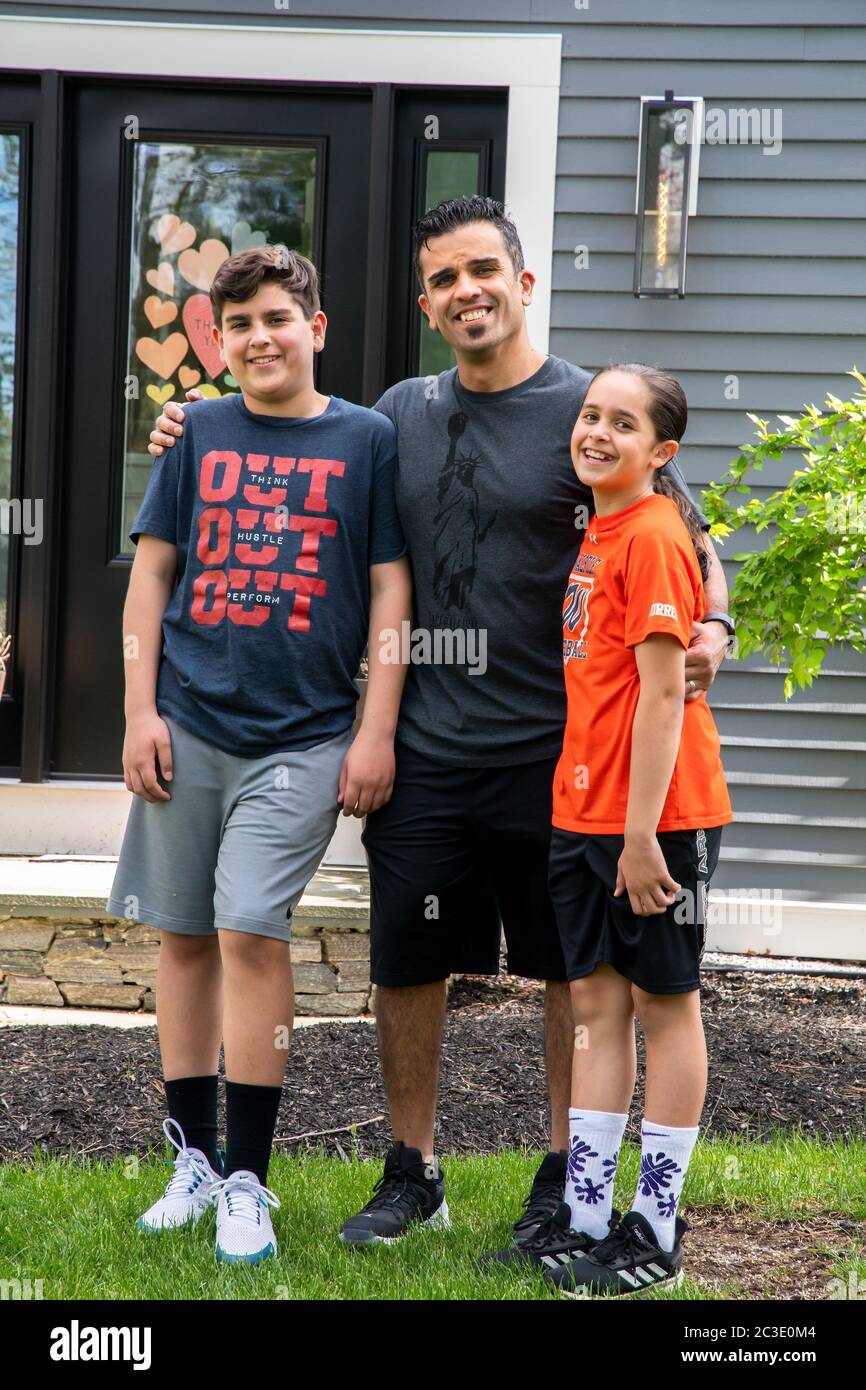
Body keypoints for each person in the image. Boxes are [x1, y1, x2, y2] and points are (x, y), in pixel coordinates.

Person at [147, 198, 734, 1256]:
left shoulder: (588, 410)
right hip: (423, 745)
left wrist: (717, 623)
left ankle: (565, 1176)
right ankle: (412, 1169)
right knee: (407, 965)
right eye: (443, 280)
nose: (465, 291)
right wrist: (189, 423)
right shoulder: (395, 416)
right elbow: (295, 446)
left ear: (522, 281)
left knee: (567, 972)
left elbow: (681, 526)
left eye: (482, 270)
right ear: (425, 303)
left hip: (561, 756)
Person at [107, 244, 411, 1265]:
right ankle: (191, 1162)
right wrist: (137, 710)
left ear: (314, 329)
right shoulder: (193, 431)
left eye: (276, 318)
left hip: (304, 734)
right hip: (187, 720)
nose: (258, 337)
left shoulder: (364, 439)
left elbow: (387, 591)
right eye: (237, 325)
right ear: (218, 340)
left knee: (249, 926)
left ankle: (249, 1179)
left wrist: (374, 727)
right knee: (184, 935)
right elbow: (151, 578)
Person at [539, 364, 733, 1296]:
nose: (598, 432)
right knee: (594, 1008)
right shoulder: (603, 527)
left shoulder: (654, 535)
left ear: (663, 452)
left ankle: (654, 1229)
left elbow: (665, 693)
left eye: (624, 422)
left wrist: (643, 836)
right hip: (584, 811)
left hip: (656, 819)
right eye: (590, 415)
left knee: (664, 1005)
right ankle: (583, 1221)